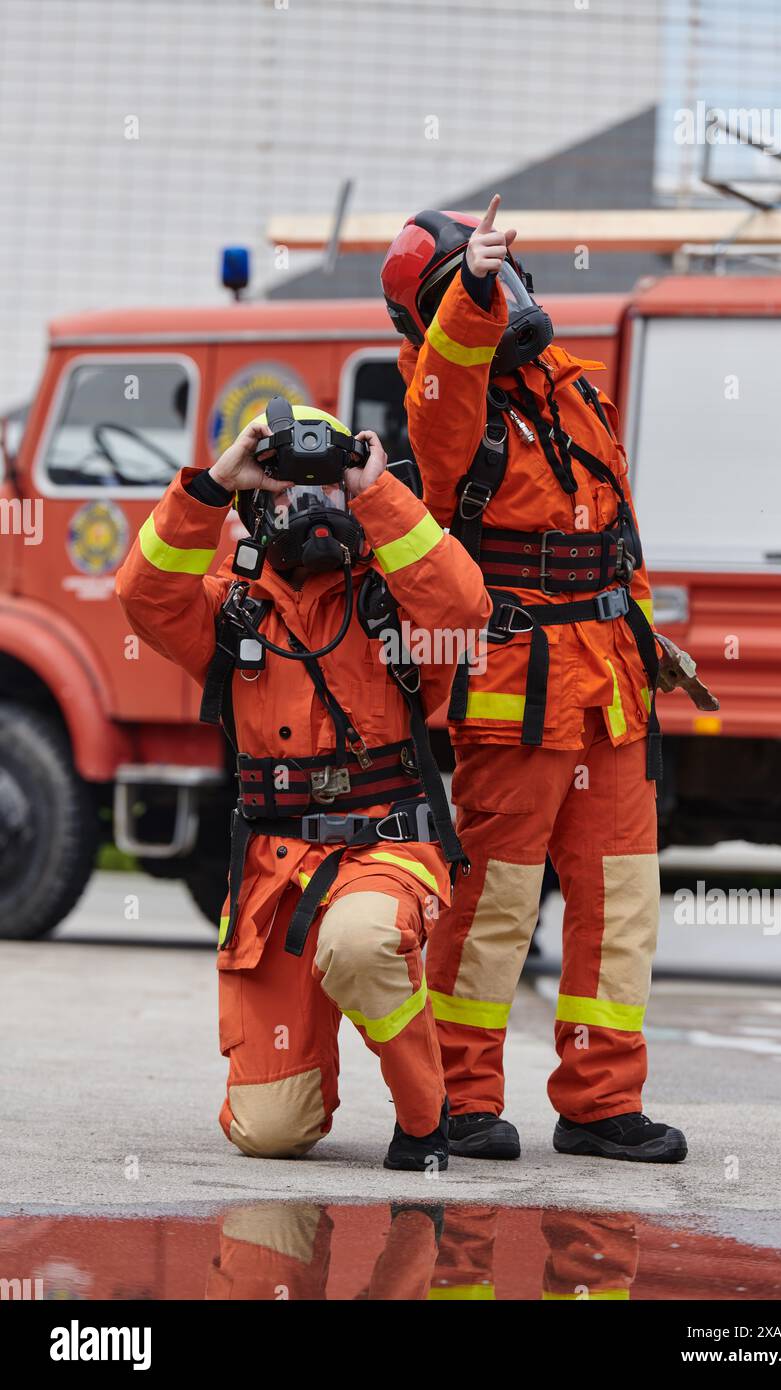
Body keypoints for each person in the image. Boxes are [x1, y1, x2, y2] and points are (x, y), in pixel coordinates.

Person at [381, 197, 717, 1164]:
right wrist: (473, 291)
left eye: (505, 277)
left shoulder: (572, 387)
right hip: (517, 695)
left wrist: (646, 646)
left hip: (610, 686)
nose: (506, 295)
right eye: (476, 289)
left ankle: (601, 1101)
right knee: (494, 909)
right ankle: (461, 1101)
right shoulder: (441, 398)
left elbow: (619, 538)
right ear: (433, 317)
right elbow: (447, 390)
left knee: (622, 906)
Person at [116, 401, 491, 1171]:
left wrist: (378, 490)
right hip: (273, 880)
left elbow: (465, 607)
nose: (308, 506)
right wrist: (218, 480)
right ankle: (310, 1079)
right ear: (255, 509)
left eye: (326, 488)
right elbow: (143, 593)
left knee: (361, 942)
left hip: (384, 848)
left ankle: (427, 1118)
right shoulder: (232, 610)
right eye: (286, 489)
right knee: (270, 1133)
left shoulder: (395, 600)